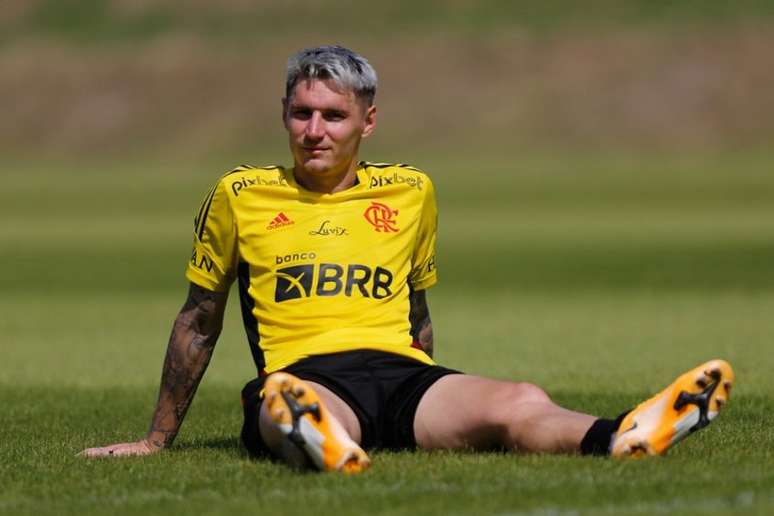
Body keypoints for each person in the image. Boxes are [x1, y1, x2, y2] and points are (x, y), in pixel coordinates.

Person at [81, 45, 734, 472]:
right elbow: (200, 319)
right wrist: (156, 439)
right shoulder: (241, 194)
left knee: (518, 399)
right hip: (305, 374)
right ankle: (321, 440)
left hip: (400, 375)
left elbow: (417, 310)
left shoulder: (411, 191)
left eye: (333, 116)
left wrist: (429, 384)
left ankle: (619, 435)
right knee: (287, 404)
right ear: (283, 114)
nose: (315, 131)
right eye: (302, 113)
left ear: (368, 121)